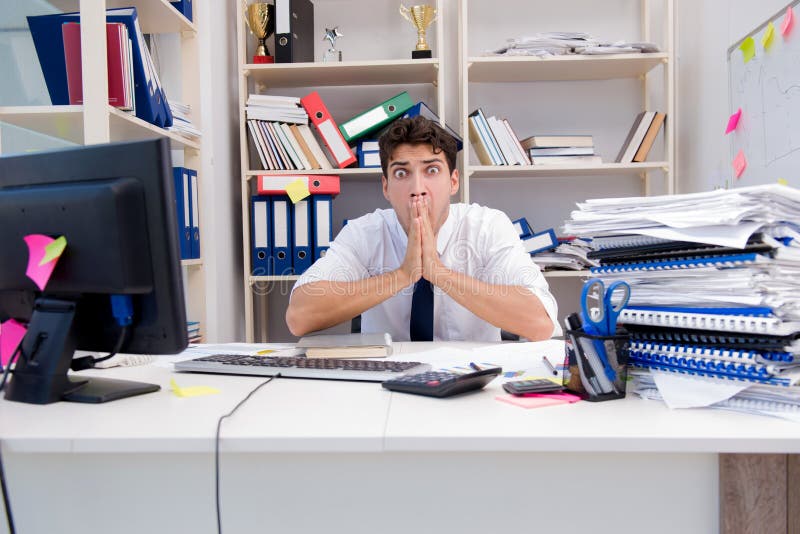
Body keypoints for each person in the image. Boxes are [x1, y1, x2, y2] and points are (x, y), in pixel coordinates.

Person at [285, 116, 560, 341]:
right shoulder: (364, 232)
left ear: (454, 182)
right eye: (402, 173)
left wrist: (439, 273)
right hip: (385, 383)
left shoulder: (488, 226)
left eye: (432, 170)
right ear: (386, 187)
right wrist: (403, 275)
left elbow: (540, 323)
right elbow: (299, 317)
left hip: (472, 385)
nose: (417, 189)